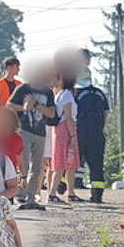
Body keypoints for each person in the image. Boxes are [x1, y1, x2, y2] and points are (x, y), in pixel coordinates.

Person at [6, 70, 54, 207]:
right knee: (23, 164)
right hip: (24, 131)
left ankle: (31, 197)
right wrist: (24, 108)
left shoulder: (48, 92)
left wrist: (36, 105)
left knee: (37, 167)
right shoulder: (23, 89)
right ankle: (20, 195)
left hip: (40, 133)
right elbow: (9, 105)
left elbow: (51, 113)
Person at [74, 77, 111, 203]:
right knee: (97, 166)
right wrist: (100, 127)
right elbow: (106, 112)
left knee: (73, 161)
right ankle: (97, 195)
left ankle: (64, 187)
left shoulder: (77, 93)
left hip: (80, 132)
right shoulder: (100, 93)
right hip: (97, 134)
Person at [45, 73, 80, 204]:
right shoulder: (67, 95)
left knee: (69, 163)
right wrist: (73, 136)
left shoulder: (60, 94)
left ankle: (70, 193)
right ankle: (52, 194)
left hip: (60, 129)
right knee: (62, 162)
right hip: (66, 129)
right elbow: (69, 117)